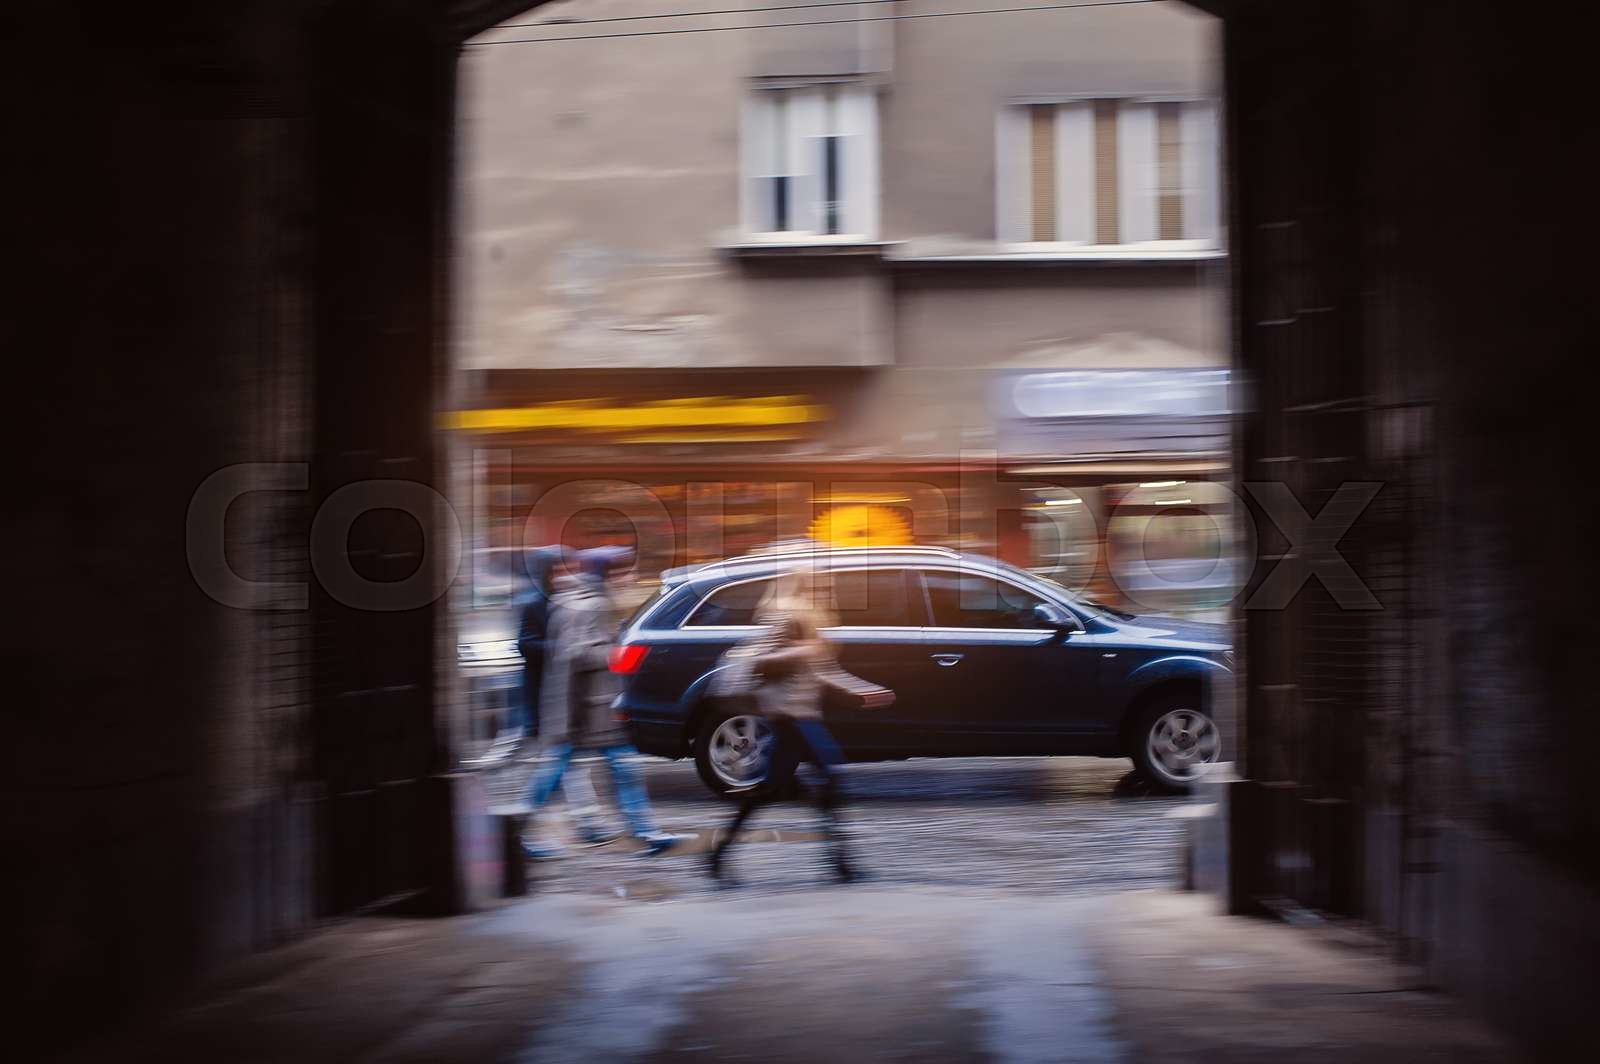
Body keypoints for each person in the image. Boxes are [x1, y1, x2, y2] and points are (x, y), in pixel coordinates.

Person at [706, 569, 893, 885]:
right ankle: (840, 865)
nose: (827, 592)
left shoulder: (808, 619)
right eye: (821, 587)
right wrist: (803, 650)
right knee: (826, 783)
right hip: (789, 716)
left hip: (801, 716)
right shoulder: (787, 616)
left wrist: (860, 690)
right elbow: (762, 661)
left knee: (779, 790)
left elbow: (821, 669)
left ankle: (718, 857)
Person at [523, 546, 690, 858]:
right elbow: (577, 652)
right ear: (607, 573)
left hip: (587, 709)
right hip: (585, 712)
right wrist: (615, 655)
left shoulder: (581, 599)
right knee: (555, 775)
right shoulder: (593, 604)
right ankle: (518, 833)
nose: (631, 577)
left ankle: (646, 833)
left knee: (619, 770)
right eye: (624, 571)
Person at [508, 546, 614, 848]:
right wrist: (559, 647)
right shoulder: (531, 603)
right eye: (555, 569)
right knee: (559, 765)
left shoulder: (561, 600)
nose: (560, 574)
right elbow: (524, 644)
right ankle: (527, 823)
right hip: (543, 696)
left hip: (564, 696)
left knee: (566, 765)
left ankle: (584, 824)